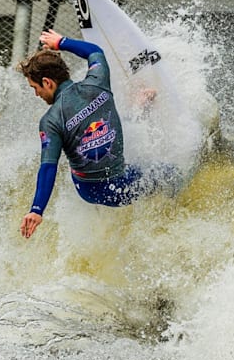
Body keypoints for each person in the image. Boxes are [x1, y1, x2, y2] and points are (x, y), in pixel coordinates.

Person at [19, 29, 145, 239]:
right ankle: (138, 108)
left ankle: (138, 107)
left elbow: (48, 167)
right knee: (167, 174)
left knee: (101, 124)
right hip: (114, 185)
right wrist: (61, 42)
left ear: (48, 82)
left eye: (35, 87)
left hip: (88, 189)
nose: (36, 94)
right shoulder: (97, 81)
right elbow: (95, 51)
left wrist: (37, 210)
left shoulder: (50, 120)